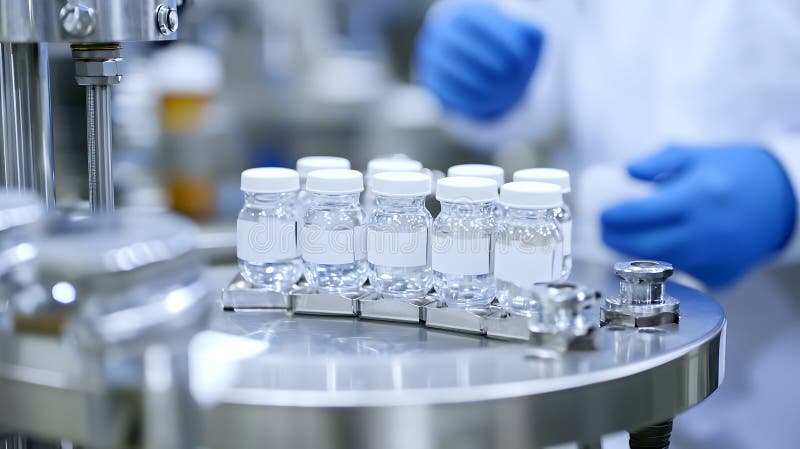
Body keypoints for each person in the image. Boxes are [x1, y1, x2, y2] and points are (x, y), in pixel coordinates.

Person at [414, 0, 800, 287]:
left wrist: (789, 187)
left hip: (778, 316)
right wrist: (491, 70)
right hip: (591, 279)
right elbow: (557, 33)